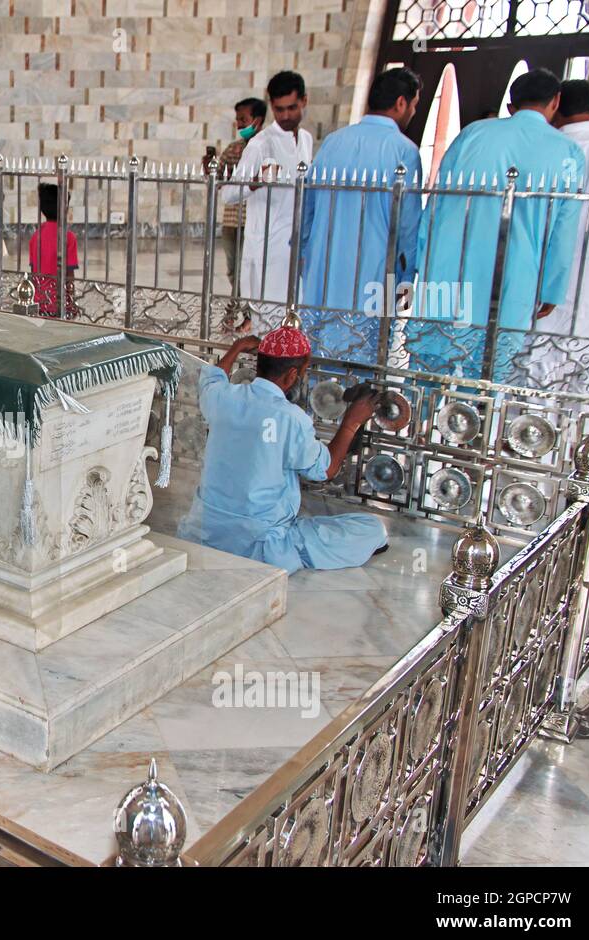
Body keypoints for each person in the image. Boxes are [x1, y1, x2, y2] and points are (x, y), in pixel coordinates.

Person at [407, 69, 585, 383]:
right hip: (514, 275)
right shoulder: (567, 152)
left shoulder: (473, 133)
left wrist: (424, 259)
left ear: (511, 104)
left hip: (451, 266)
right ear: (555, 101)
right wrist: (551, 288)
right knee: (492, 371)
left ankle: (421, 425)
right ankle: (478, 425)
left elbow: (437, 201)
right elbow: (563, 229)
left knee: (433, 362)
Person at [176, 321, 387, 573]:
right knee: (371, 528)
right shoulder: (290, 418)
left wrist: (237, 348)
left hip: (205, 531)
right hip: (262, 544)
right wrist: (351, 422)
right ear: (292, 375)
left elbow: (212, 378)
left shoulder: (223, 397)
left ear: (259, 364)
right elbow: (325, 470)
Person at [299, 67, 424, 365]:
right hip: (374, 270)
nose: (413, 112)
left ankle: (318, 402)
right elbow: (407, 226)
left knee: (319, 345)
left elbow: (308, 206)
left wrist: (306, 253)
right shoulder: (404, 151)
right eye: (415, 104)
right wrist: (405, 282)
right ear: (401, 103)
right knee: (364, 356)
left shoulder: (333, 142)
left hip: (324, 268)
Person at [525, 80, 589, 392]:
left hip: (541, 274)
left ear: (554, 107)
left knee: (533, 364)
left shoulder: (544, 148)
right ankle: (571, 438)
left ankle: (523, 434)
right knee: (582, 368)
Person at [235, 71, 314, 331]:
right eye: (279, 110)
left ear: (304, 100)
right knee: (266, 331)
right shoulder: (260, 144)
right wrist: (256, 180)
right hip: (265, 252)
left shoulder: (305, 140)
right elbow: (228, 194)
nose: (285, 116)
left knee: (293, 326)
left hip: (294, 250)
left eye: (292, 108)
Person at [207, 97, 266, 327]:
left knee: (247, 272)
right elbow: (218, 180)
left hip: (253, 222)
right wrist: (209, 170)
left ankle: (241, 314)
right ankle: (244, 313)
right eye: (238, 120)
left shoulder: (265, 148)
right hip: (232, 220)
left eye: (244, 119)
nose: (240, 124)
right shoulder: (233, 149)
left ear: (257, 120)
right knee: (234, 271)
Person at [27, 182, 78, 317]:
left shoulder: (35, 236)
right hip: (59, 302)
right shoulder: (68, 237)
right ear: (65, 209)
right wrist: (71, 303)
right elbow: (69, 275)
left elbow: (33, 272)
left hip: (39, 301)